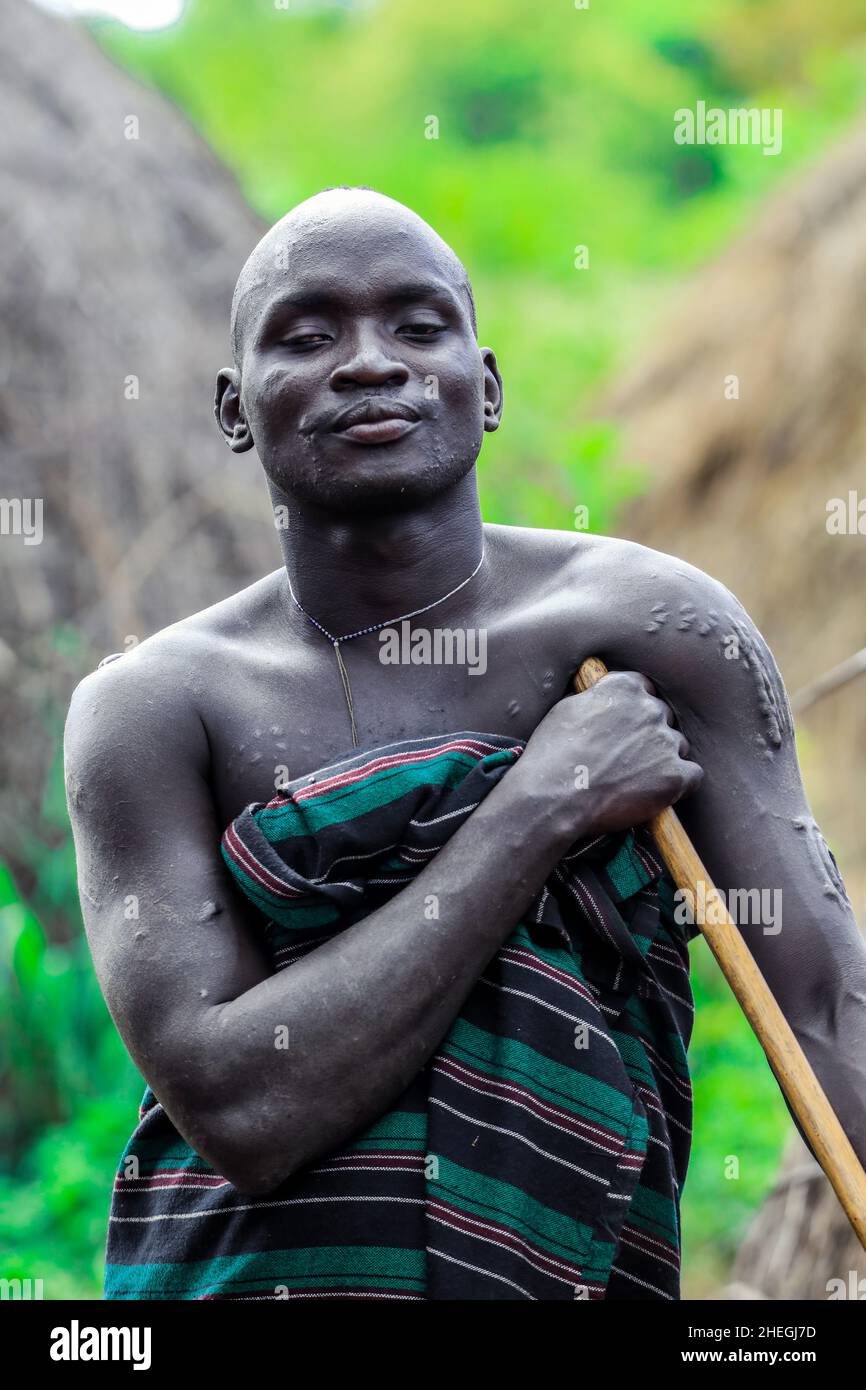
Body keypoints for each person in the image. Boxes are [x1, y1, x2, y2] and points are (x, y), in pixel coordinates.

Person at [64, 186, 866, 1301]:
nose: (368, 363)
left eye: (417, 325)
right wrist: (540, 807)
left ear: (482, 388)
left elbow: (824, 1001)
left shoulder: (649, 626)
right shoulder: (155, 706)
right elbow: (241, 1106)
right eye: (306, 336)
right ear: (233, 408)